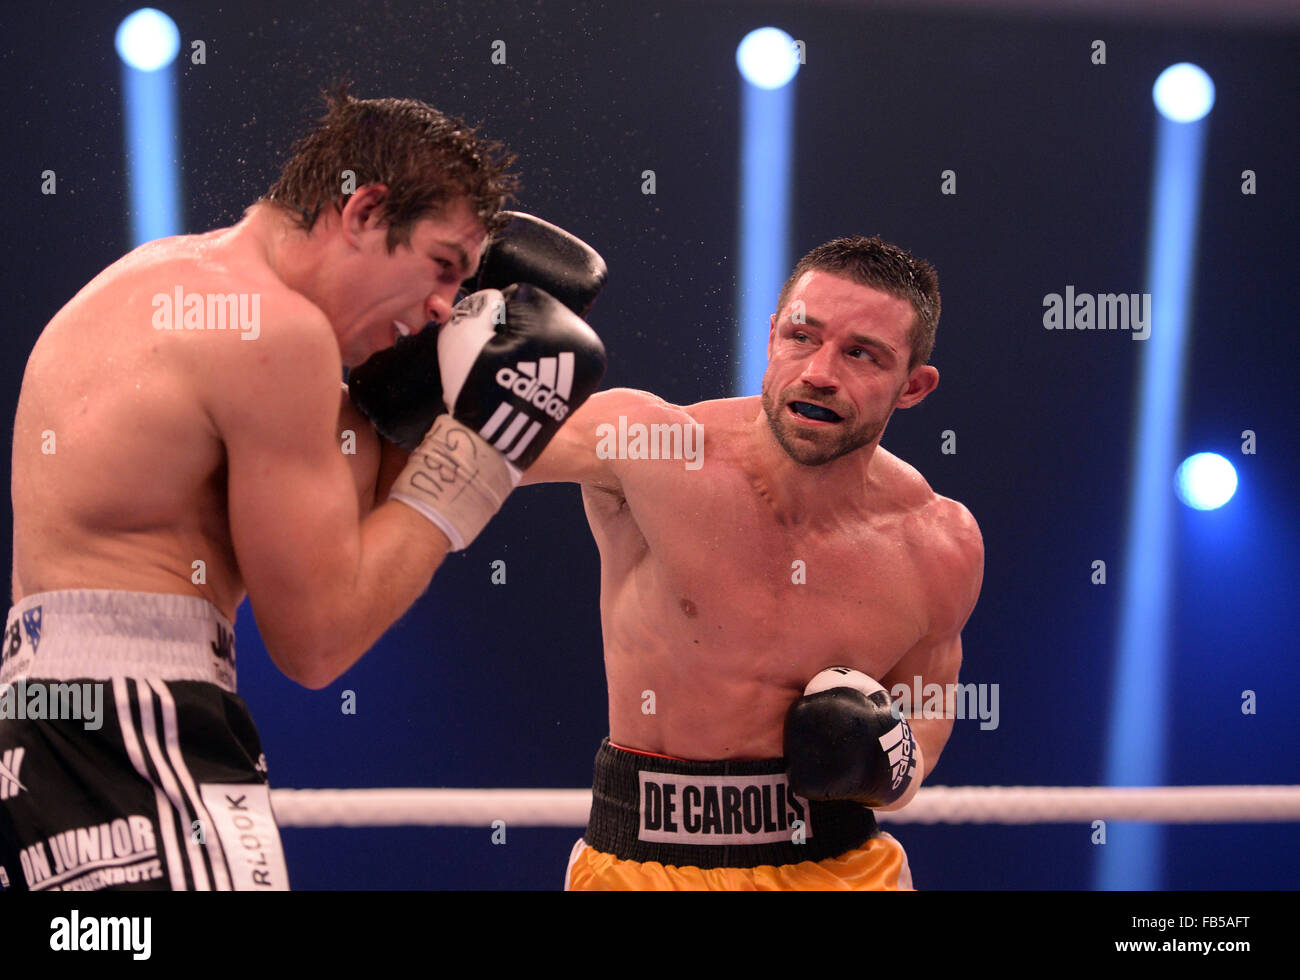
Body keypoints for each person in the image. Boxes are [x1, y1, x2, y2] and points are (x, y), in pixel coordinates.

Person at [0, 87, 605, 892]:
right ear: (363, 209)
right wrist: (483, 451)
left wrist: (418, 406)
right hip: (138, 727)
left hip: (50, 724)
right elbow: (317, 639)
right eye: (442, 266)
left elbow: (349, 530)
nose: (440, 307)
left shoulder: (169, 280)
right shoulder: (276, 335)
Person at [524, 236, 985, 890]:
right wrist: (456, 339)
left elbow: (929, 709)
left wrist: (886, 765)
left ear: (913, 386)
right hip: (641, 864)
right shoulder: (649, 447)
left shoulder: (939, 541)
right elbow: (444, 453)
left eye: (861, 354)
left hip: (841, 870)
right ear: (772, 337)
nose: (821, 371)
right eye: (803, 336)